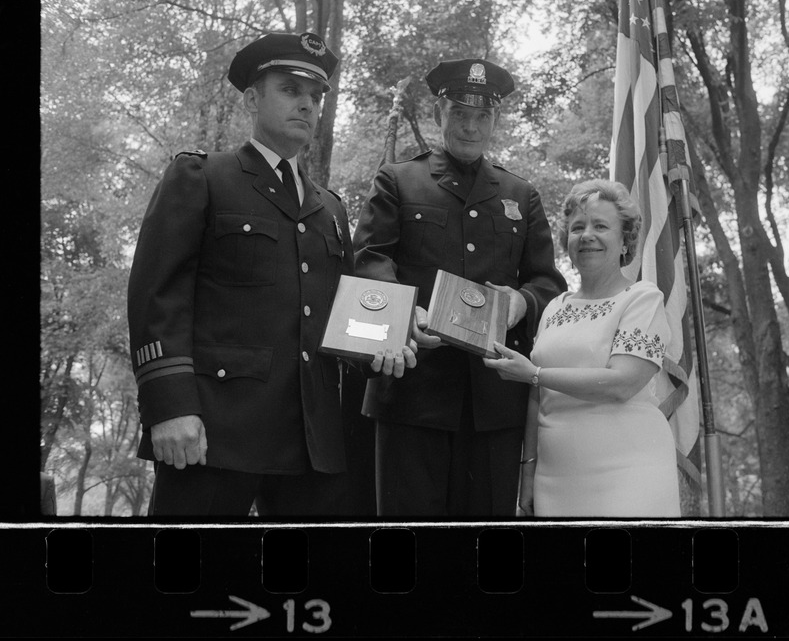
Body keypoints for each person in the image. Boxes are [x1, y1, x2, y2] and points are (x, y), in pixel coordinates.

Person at [127, 31, 414, 517]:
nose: (307, 104)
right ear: (252, 99)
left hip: (311, 440)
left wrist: (383, 347)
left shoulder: (330, 210)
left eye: (316, 96)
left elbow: (341, 316)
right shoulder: (202, 177)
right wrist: (170, 406)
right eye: (290, 90)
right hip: (215, 432)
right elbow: (157, 296)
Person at [352, 58, 567, 516]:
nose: (471, 127)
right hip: (411, 393)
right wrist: (402, 315)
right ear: (438, 116)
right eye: (459, 114)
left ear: (495, 120)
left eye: (482, 116)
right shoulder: (397, 181)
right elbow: (370, 261)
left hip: (494, 404)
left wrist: (520, 301)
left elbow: (547, 282)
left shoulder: (520, 194)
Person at [484, 179, 681, 517]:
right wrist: (528, 474)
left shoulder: (642, 299)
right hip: (555, 479)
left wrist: (535, 374)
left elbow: (622, 383)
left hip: (631, 472)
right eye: (578, 227)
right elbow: (537, 398)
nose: (587, 235)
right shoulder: (554, 307)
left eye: (601, 226)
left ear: (625, 241)